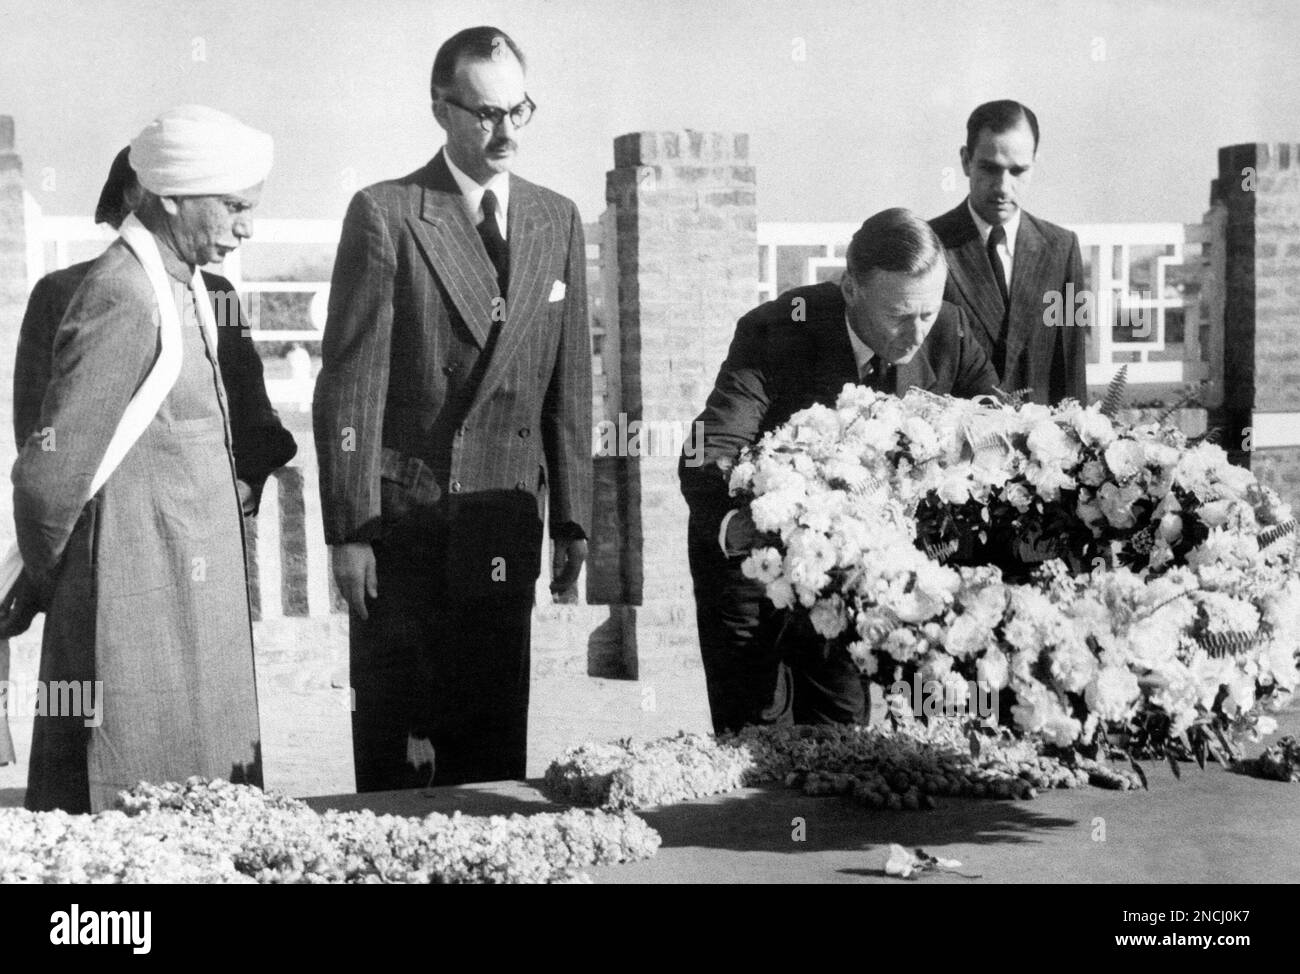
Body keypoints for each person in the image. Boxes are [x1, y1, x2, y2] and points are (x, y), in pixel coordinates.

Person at [313, 26, 592, 789]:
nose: (505, 132)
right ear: (441, 110)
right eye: (484, 114)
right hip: (407, 530)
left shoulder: (555, 218)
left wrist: (572, 517)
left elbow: (570, 382)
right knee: (400, 746)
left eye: (518, 111)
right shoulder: (389, 213)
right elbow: (349, 385)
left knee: (493, 747)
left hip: (502, 523)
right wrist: (350, 533)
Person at [11, 105, 274, 812]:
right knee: (126, 812)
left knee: (200, 804)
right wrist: (59, 583)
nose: (245, 227)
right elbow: (48, 477)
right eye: (232, 206)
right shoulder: (125, 292)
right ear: (169, 197)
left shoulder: (183, 285)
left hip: (187, 603)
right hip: (134, 606)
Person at [679, 208, 998, 734]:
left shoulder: (948, 329)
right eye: (899, 315)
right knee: (757, 743)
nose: (917, 332)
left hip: (851, 574)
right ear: (851, 289)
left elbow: (1001, 426)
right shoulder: (778, 328)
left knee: (841, 734)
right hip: (753, 571)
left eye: (927, 311)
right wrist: (754, 520)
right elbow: (708, 449)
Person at [0, 146, 296, 642]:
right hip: (101, 547)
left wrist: (245, 484)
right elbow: (40, 438)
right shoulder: (62, 291)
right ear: (139, 195)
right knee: (101, 697)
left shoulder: (215, 295)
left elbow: (253, 415)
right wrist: (44, 567)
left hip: (202, 540)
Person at [930, 100, 1086, 406]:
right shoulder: (932, 245)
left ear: (1034, 165)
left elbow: (1071, 367)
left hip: (1039, 445)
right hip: (954, 443)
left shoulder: (1062, 249)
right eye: (990, 168)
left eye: (1018, 171)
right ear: (965, 161)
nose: (1003, 187)